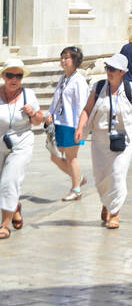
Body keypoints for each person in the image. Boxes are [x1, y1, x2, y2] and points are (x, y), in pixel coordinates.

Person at [73, 54, 132, 228]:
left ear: (122, 72)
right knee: (101, 177)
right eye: (108, 68)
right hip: (100, 140)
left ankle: (114, 213)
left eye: (113, 69)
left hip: (124, 139)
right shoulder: (98, 87)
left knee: (117, 173)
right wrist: (80, 128)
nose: (109, 72)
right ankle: (107, 203)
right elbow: (87, 109)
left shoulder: (131, 89)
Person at [0, 61, 44, 239]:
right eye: (10, 75)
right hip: (0, 142)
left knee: (9, 181)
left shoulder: (28, 95)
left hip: (22, 143)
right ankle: (15, 206)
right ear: (3, 77)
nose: (14, 79)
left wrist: (32, 113)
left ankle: (4, 224)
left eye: (18, 76)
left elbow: (39, 120)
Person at [46, 46, 89, 200]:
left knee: (71, 157)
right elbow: (56, 99)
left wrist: (80, 127)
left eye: (67, 57)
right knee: (55, 156)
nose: (63, 60)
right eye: (62, 57)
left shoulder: (79, 81)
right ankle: (79, 177)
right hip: (60, 122)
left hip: (72, 124)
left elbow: (82, 105)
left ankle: (76, 189)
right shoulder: (63, 79)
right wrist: (49, 113)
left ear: (75, 61)